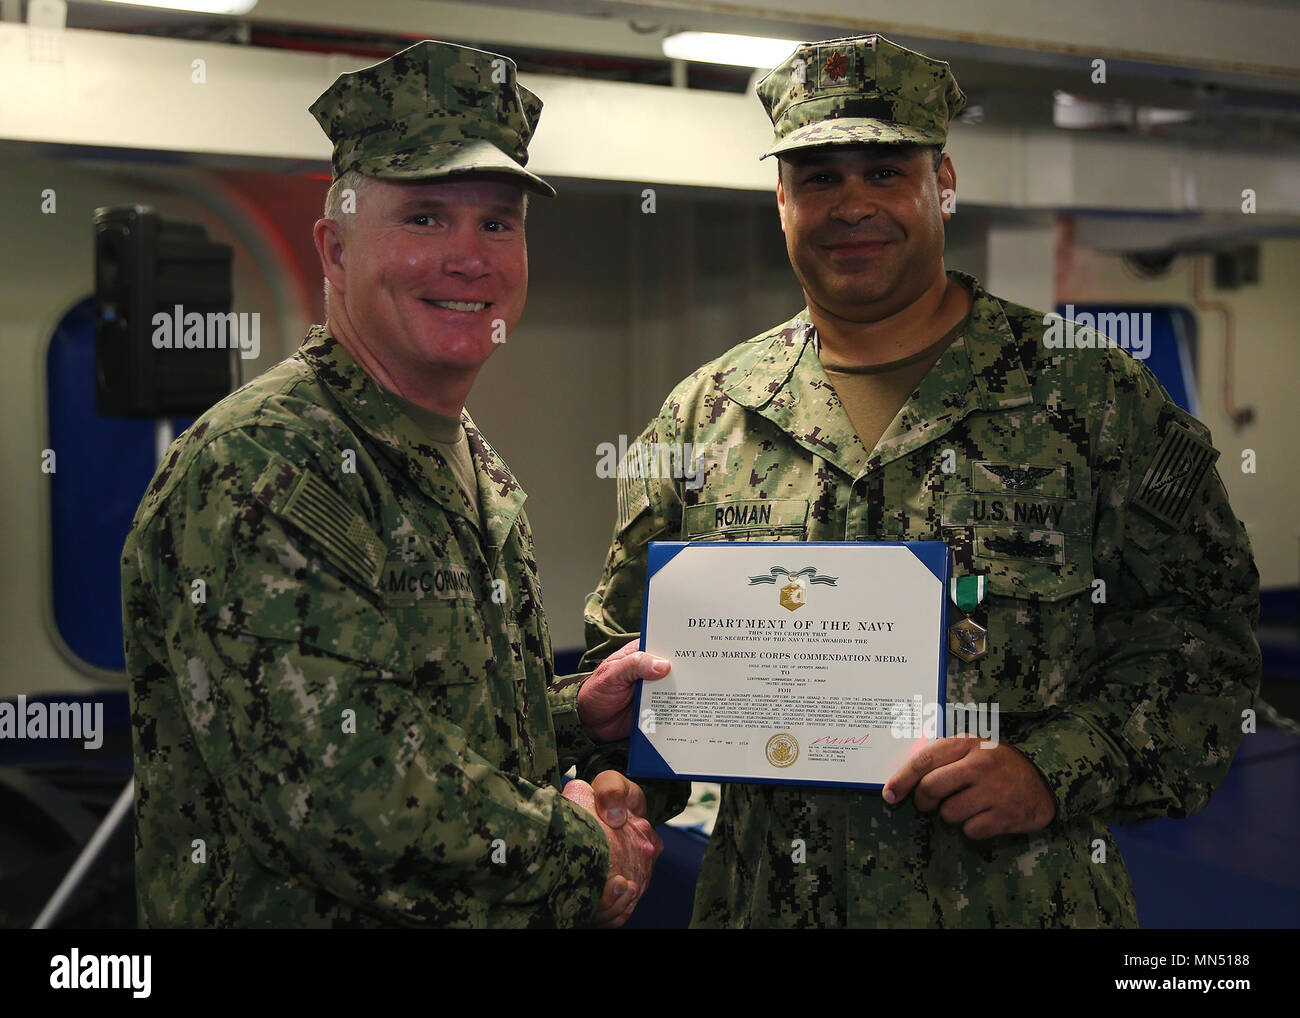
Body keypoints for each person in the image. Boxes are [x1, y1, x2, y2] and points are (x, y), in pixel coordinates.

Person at [581, 33, 1261, 927]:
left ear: (942, 183)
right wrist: (617, 783)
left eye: (885, 173)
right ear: (781, 198)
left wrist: (1053, 771)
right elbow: (623, 658)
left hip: (1014, 903)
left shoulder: (1088, 397)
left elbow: (1203, 647)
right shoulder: (708, 413)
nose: (851, 205)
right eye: (818, 177)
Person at [120, 39, 680, 929]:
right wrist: (588, 854)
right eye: (424, 218)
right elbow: (347, 799)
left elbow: (439, 716)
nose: (468, 258)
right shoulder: (265, 465)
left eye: (498, 223)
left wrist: (582, 722)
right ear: (335, 247)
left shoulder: (470, 464)